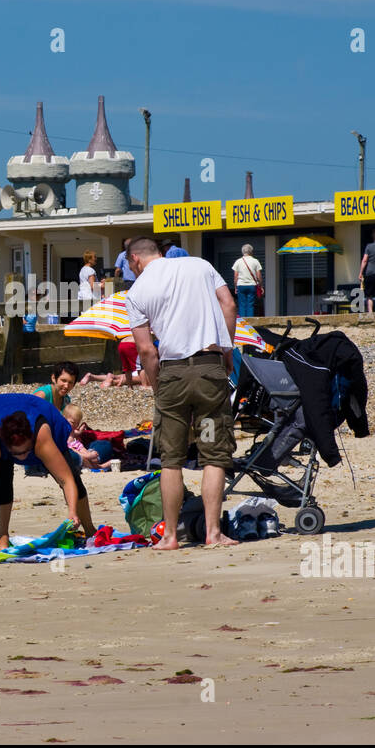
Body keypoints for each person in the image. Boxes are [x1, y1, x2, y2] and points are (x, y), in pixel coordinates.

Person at [123, 235, 239, 549]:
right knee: (213, 453)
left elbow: (147, 351)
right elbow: (228, 303)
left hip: (172, 374)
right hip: (209, 369)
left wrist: (159, 386)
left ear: (135, 260)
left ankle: (171, 536)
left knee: (171, 460)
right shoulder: (200, 266)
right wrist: (227, 350)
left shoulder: (137, 291)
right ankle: (213, 534)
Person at [0, 393, 97, 551]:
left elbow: (66, 480)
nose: (23, 457)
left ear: (31, 441)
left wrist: (72, 512)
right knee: (0, 478)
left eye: (26, 451)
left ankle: (90, 529)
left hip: (40, 413)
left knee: (72, 475)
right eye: (17, 454)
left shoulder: (41, 436)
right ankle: (3, 536)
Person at [62, 404, 120, 470]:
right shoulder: (62, 428)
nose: (75, 425)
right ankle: (100, 466)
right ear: (63, 418)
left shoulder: (71, 429)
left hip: (77, 444)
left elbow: (75, 433)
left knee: (87, 452)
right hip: (70, 447)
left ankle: (93, 460)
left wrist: (80, 430)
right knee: (84, 455)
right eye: (73, 422)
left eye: (77, 423)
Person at [232, 244, 263, 318]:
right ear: (251, 251)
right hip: (252, 285)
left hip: (241, 285)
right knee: (250, 304)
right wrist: (261, 286)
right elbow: (259, 275)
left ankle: (242, 322)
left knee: (242, 304)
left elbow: (235, 276)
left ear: (242, 252)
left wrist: (235, 287)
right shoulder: (255, 261)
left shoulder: (238, 261)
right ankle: (250, 322)